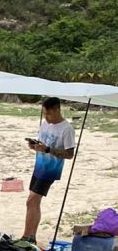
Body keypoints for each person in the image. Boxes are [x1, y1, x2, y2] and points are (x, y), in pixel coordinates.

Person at [23, 96, 75, 242]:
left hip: (50, 169)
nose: (46, 117)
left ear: (57, 110)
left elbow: (70, 154)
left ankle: (28, 236)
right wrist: (35, 146)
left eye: (48, 114)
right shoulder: (45, 124)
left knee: (31, 201)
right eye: (44, 113)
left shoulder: (67, 129)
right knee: (33, 202)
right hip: (39, 165)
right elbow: (43, 144)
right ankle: (30, 235)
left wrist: (47, 150)